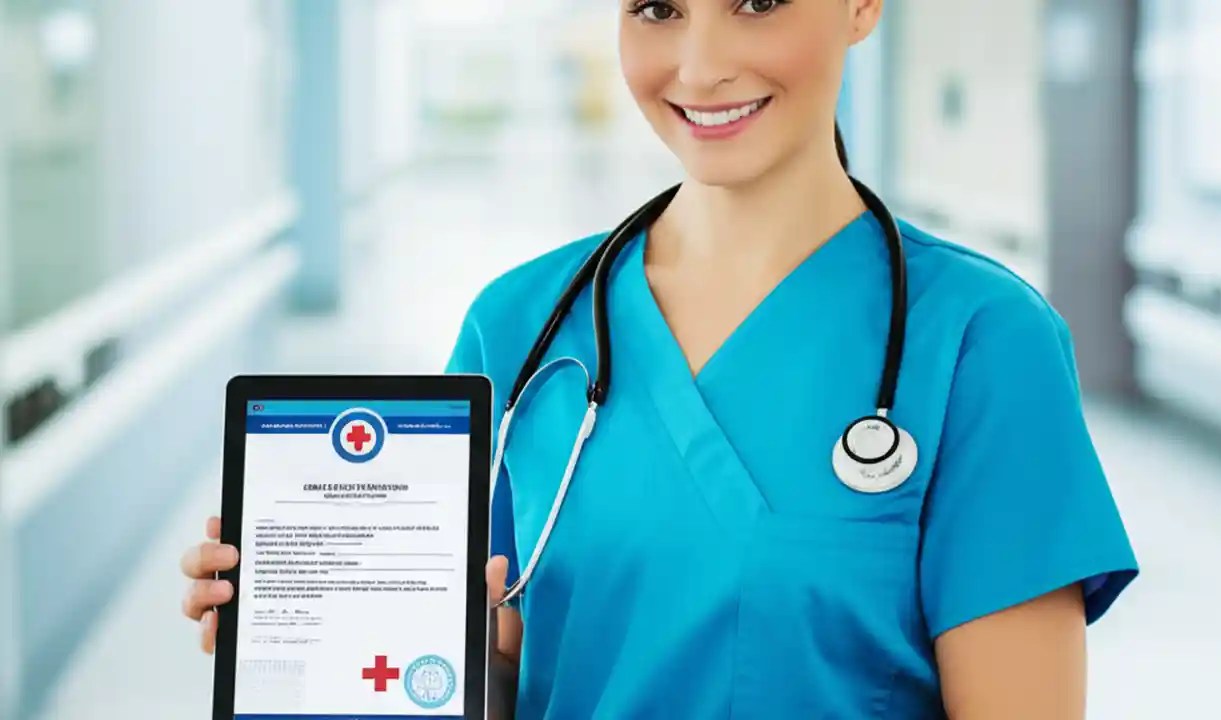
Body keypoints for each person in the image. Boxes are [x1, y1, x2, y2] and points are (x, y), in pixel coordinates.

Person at [181, 0, 1139, 717]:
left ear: (859, 5)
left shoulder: (978, 341)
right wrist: (334, 636)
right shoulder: (518, 327)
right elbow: (507, 672)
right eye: (656, 9)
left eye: (756, 1)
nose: (700, 63)